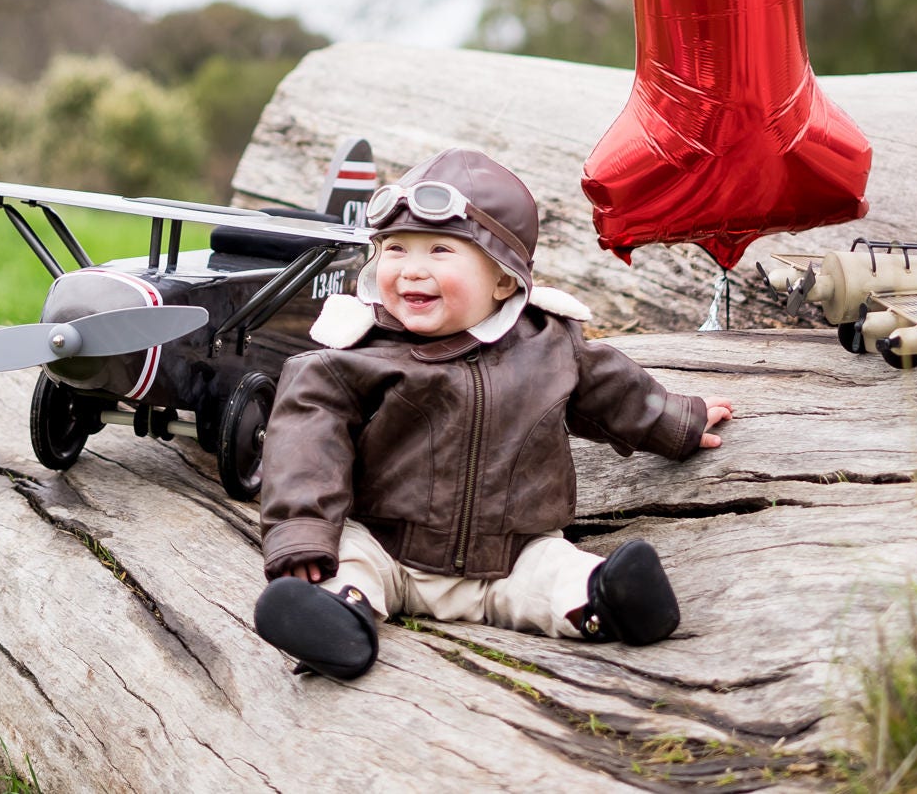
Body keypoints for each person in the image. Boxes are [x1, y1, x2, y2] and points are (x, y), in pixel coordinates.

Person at [252, 147, 734, 679]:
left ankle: (606, 601)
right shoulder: (349, 356)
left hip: (510, 556)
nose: (412, 270)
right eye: (394, 249)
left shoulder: (550, 345)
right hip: (388, 544)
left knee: (556, 573)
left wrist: (677, 421)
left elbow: (616, 392)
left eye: (439, 250)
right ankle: (339, 616)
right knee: (347, 558)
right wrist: (300, 532)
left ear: (504, 279)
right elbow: (304, 444)